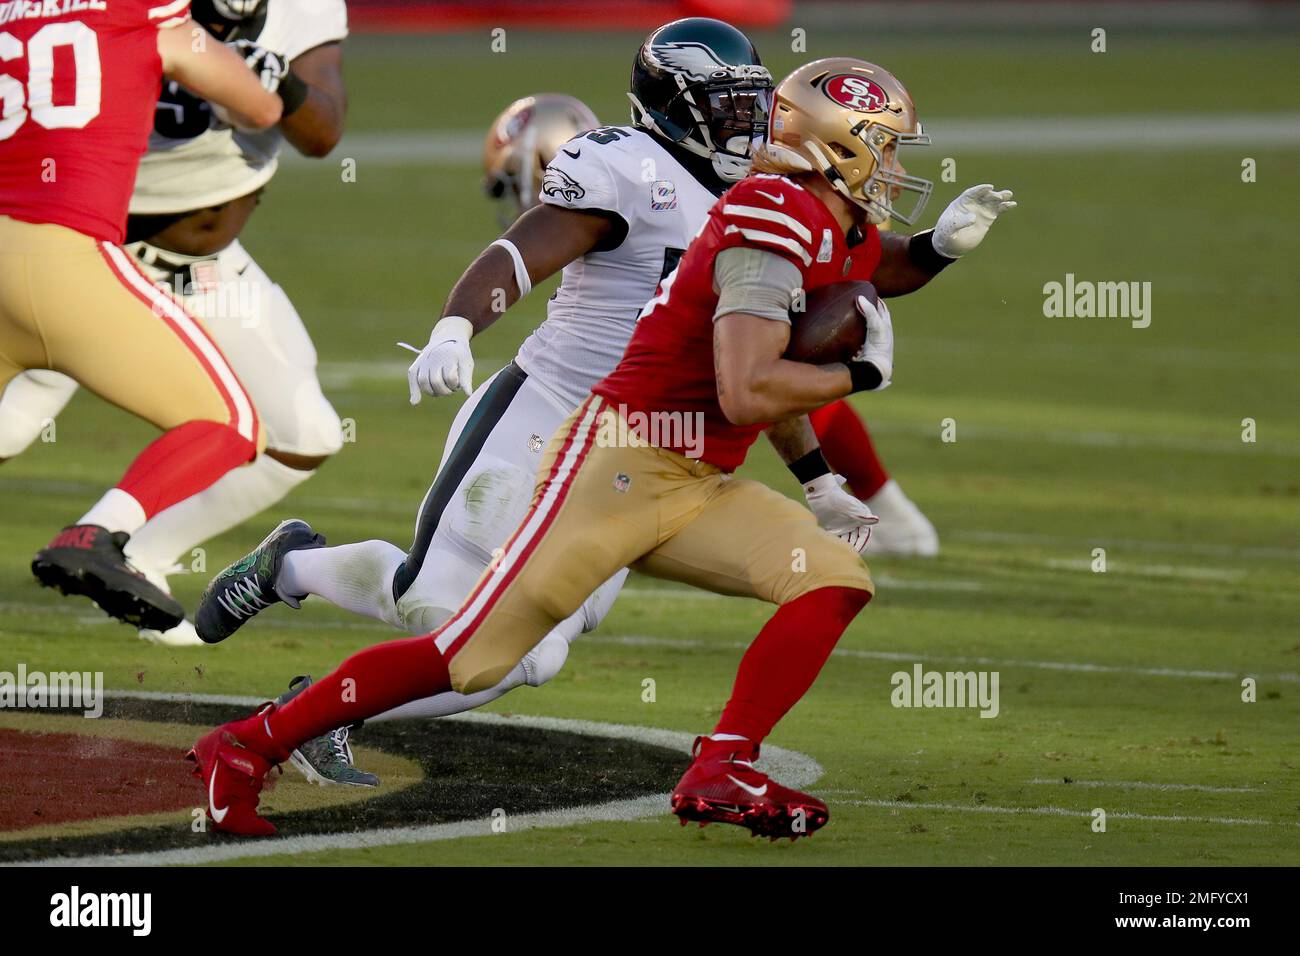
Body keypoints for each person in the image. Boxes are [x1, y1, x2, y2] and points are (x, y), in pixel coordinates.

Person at [187, 56, 1015, 838]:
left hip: (697, 478)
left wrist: (820, 477)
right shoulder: (768, 213)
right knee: (468, 656)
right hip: (614, 465)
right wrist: (856, 380)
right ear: (839, 144)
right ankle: (250, 741)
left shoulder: (817, 219)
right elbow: (748, 388)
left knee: (833, 580)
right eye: (886, 145)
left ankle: (722, 768)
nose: (897, 165)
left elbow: (786, 351)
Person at [0, 0, 349, 646]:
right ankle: (97, 536)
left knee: (304, 433)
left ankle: (140, 555)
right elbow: (256, 104)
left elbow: (321, 130)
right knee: (221, 422)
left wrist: (282, 77)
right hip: (91, 253)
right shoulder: (147, 13)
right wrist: (257, 80)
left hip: (183, 264)